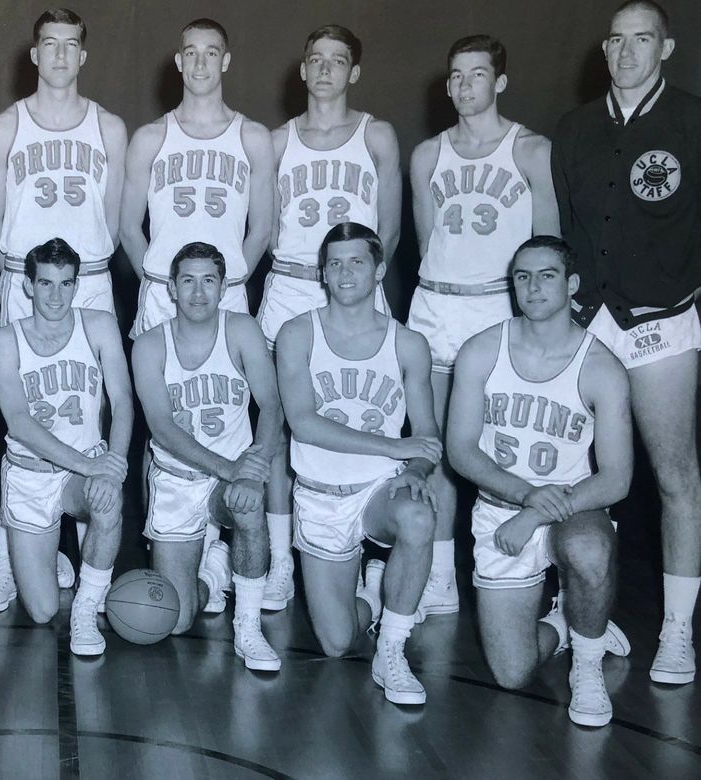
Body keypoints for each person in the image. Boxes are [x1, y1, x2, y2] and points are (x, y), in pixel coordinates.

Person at [551, 0, 700, 686]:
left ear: (665, 49)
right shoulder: (575, 129)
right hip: (590, 323)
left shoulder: (693, 121)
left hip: (663, 320)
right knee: (578, 479)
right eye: (617, 41)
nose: (628, 52)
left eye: (643, 40)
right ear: (604, 51)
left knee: (675, 478)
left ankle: (676, 632)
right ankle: (581, 608)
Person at [448, 236, 633, 725]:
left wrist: (534, 511)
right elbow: (460, 450)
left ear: (571, 284)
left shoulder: (602, 367)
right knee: (512, 673)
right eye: (522, 277)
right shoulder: (482, 350)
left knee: (591, 549)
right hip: (500, 511)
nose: (532, 287)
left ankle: (588, 668)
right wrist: (524, 496)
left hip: (573, 508)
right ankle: (570, 624)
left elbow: (616, 479)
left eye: (546, 275)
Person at [0, 7, 126, 609]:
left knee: (88, 414)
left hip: (86, 280)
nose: (60, 55)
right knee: (21, 413)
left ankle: (94, 552)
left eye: (71, 45)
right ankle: (10, 554)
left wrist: (82, 276)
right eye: (49, 44)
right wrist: (20, 276)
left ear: (82, 56)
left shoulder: (109, 129)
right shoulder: (4, 127)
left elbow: (113, 222)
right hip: (26, 280)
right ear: (33, 55)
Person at [407, 34, 558, 619]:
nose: (465, 85)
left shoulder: (531, 150)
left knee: (503, 448)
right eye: (456, 76)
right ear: (447, 85)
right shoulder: (428, 155)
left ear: (500, 81)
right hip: (437, 307)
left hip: (499, 309)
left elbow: (547, 247)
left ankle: (531, 579)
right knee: (438, 444)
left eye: (477, 74)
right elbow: (426, 243)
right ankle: (441, 576)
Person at [256, 24, 402, 613]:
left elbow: (389, 229)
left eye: (337, 61)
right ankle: (280, 560)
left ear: (353, 72)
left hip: (356, 287)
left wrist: (361, 293)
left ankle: (371, 555)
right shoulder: (274, 141)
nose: (324, 70)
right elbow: (265, 229)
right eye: (315, 59)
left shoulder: (378, 135)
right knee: (276, 427)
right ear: (302, 69)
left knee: (368, 420)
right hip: (291, 285)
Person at [276, 223, 440, 703]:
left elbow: (427, 435)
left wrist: (413, 469)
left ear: (380, 269)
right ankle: (374, 594)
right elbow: (304, 424)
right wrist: (395, 448)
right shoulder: (297, 333)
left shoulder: (408, 344)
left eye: (357, 262)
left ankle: (393, 649)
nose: (345, 272)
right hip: (320, 494)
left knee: (417, 515)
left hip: (378, 493)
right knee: (336, 643)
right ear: (322, 274)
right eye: (335, 263)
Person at [132, 242, 283, 671]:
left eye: (208, 281)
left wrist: (253, 468)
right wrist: (230, 468)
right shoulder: (149, 345)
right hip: (177, 480)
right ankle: (214, 571)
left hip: (229, 481)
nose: (198, 292)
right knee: (176, 622)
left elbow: (272, 404)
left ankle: (249, 628)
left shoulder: (242, 330)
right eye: (188, 281)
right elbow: (161, 427)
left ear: (223, 288)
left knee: (249, 505)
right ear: (171, 289)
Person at [0, 237, 133, 655]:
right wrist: (97, 469)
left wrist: (113, 462)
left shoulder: (99, 325)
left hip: (81, 470)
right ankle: (43, 554)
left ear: (76, 285)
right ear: (28, 286)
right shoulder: (6, 340)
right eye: (46, 283)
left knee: (107, 504)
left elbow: (122, 402)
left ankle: (87, 609)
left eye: (66, 284)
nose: (56, 295)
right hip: (30, 475)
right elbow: (19, 422)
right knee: (41, 610)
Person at [122, 18, 274, 339]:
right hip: (164, 295)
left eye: (211, 53)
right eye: (191, 54)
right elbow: (128, 229)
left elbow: (261, 230)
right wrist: (162, 283)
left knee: (225, 388)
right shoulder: (150, 138)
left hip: (226, 292)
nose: (201, 64)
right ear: (179, 62)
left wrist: (225, 284)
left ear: (226, 60)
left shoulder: (253, 137)